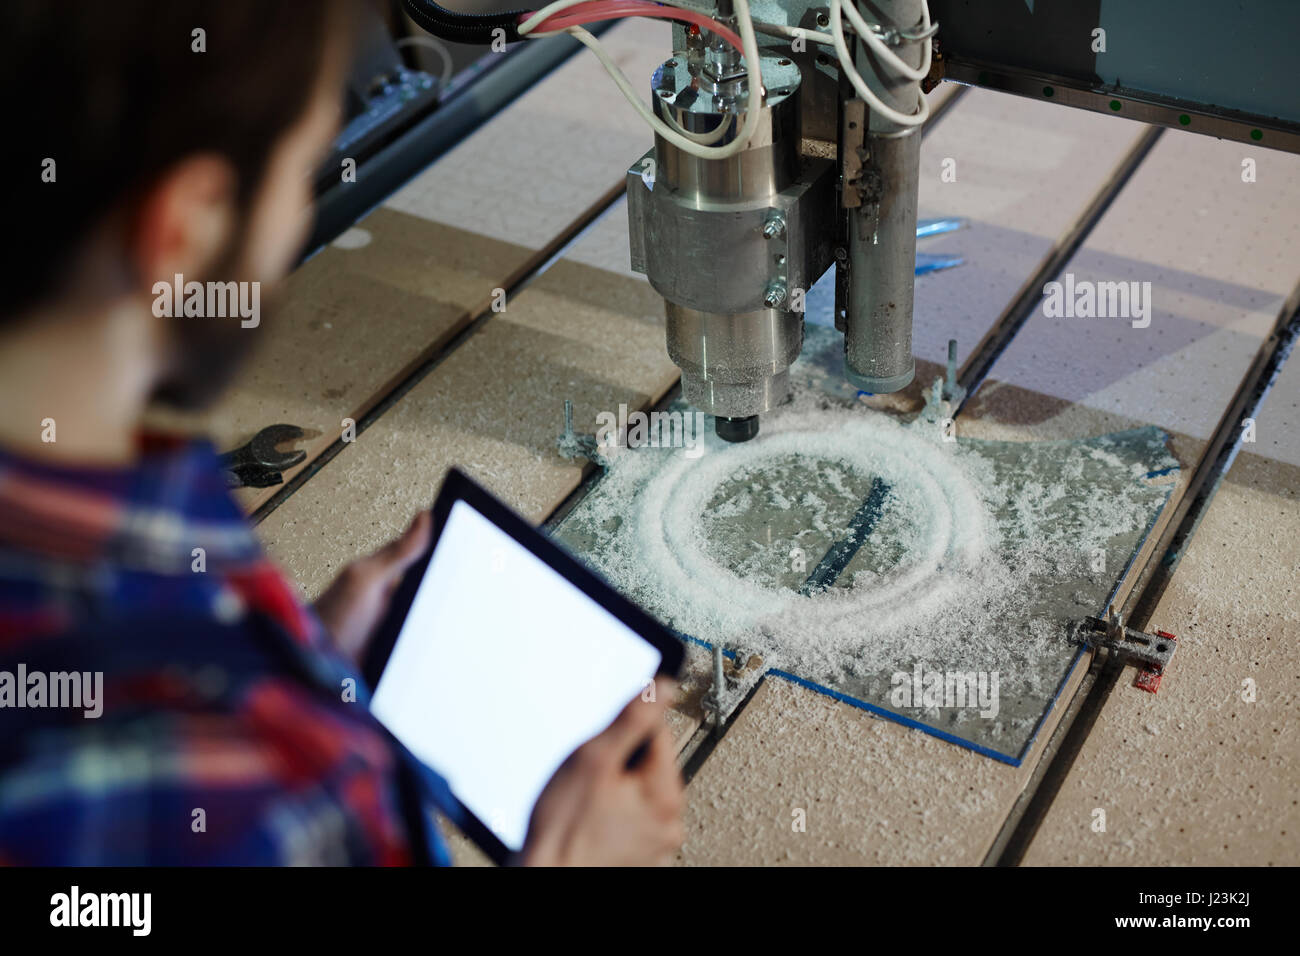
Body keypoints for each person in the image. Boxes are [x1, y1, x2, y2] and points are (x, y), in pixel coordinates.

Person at [0, 0, 684, 866]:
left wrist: (305, 664)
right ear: (185, 229)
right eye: (300, 170)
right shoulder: (283, 798)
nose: (295, 219)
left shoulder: (122, 502)